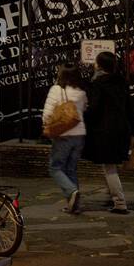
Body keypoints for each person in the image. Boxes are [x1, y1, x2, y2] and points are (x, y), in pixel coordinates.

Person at [82, 50, 131, 214]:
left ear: (99, 65)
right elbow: (130, 108)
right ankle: (110, 196)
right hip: (121, 128)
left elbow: (94, 108)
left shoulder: (98, 83)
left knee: (109, 167)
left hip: (106, 130)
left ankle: (120, 203)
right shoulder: (122, 82)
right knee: (108, 166)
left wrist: (82, 116)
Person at [42, 63, 87, 213]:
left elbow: (48, 113)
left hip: (63, 135)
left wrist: (47, 126)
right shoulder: (81, 92)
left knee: (55, 168)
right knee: (71, 169)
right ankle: (73, 205)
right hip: (80, 134)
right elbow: (84, 109)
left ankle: (71, 191)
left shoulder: (56, 89)